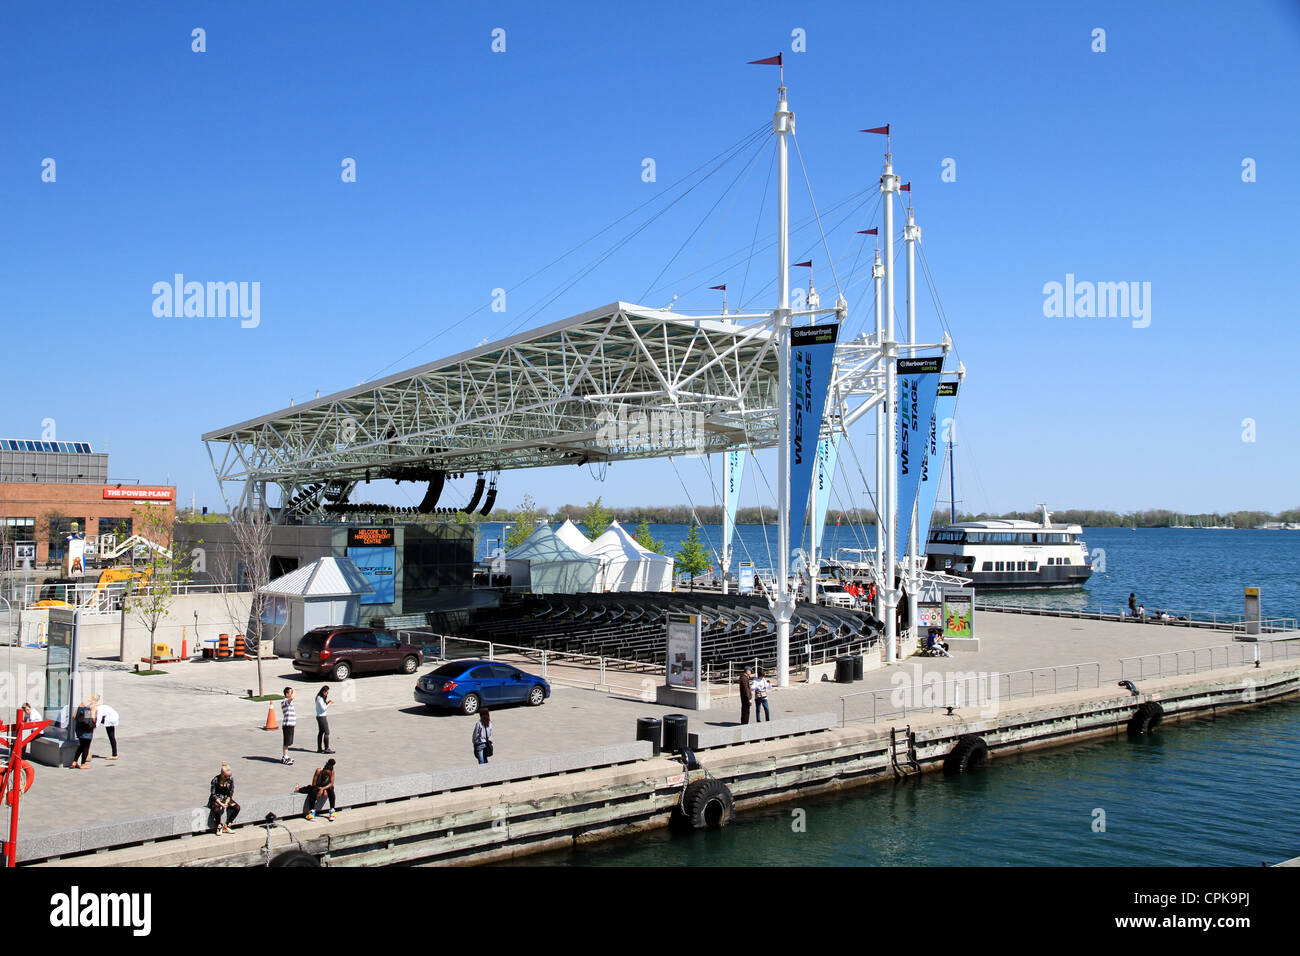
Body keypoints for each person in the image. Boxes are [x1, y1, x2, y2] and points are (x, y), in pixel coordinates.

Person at [209, 762, 240, 833]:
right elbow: (213, 794)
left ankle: (228, 825)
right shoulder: (215, 780)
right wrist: (221, 804)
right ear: (222, 774)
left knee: (237, 807)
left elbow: (231, 792)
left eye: (229, 776)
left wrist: (227, 802)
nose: (228, 778)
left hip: (226, 798)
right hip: (216, 799)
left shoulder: (230, 779)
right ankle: (219, 826)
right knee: (216, 809)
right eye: (226, 776)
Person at [69, 696, 97, 769]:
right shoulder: (92, 706)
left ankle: (74, 761)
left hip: (79, 727)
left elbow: (74, 716)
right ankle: (83, 764)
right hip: (87, 729)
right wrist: (94, 724)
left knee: (81, 745)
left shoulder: (82, 704)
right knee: (86, 746)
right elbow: (93, 718)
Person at [315, 686, 334, 754]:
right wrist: (329, 704)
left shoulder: (320, 698)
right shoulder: (319, 698)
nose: (327, 694)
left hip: (320, 716)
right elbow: (324, 708)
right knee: (327, 732)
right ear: (323, 691)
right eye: (326, 692)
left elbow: (322, 706)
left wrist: (327, 702)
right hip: (322, 717)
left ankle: (319, 748)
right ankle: (327, 748)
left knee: (321, 732)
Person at [280, 687, 296, 765]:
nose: (292, 693)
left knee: (289, 741)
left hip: (291, 724)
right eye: (290, 692)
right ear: (287, 694)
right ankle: (285, 757)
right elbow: (292, 697)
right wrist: (294, 691)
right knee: (286, 742)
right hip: (287, 724)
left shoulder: (289, 701)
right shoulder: (285, 701)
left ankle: (286, 756)